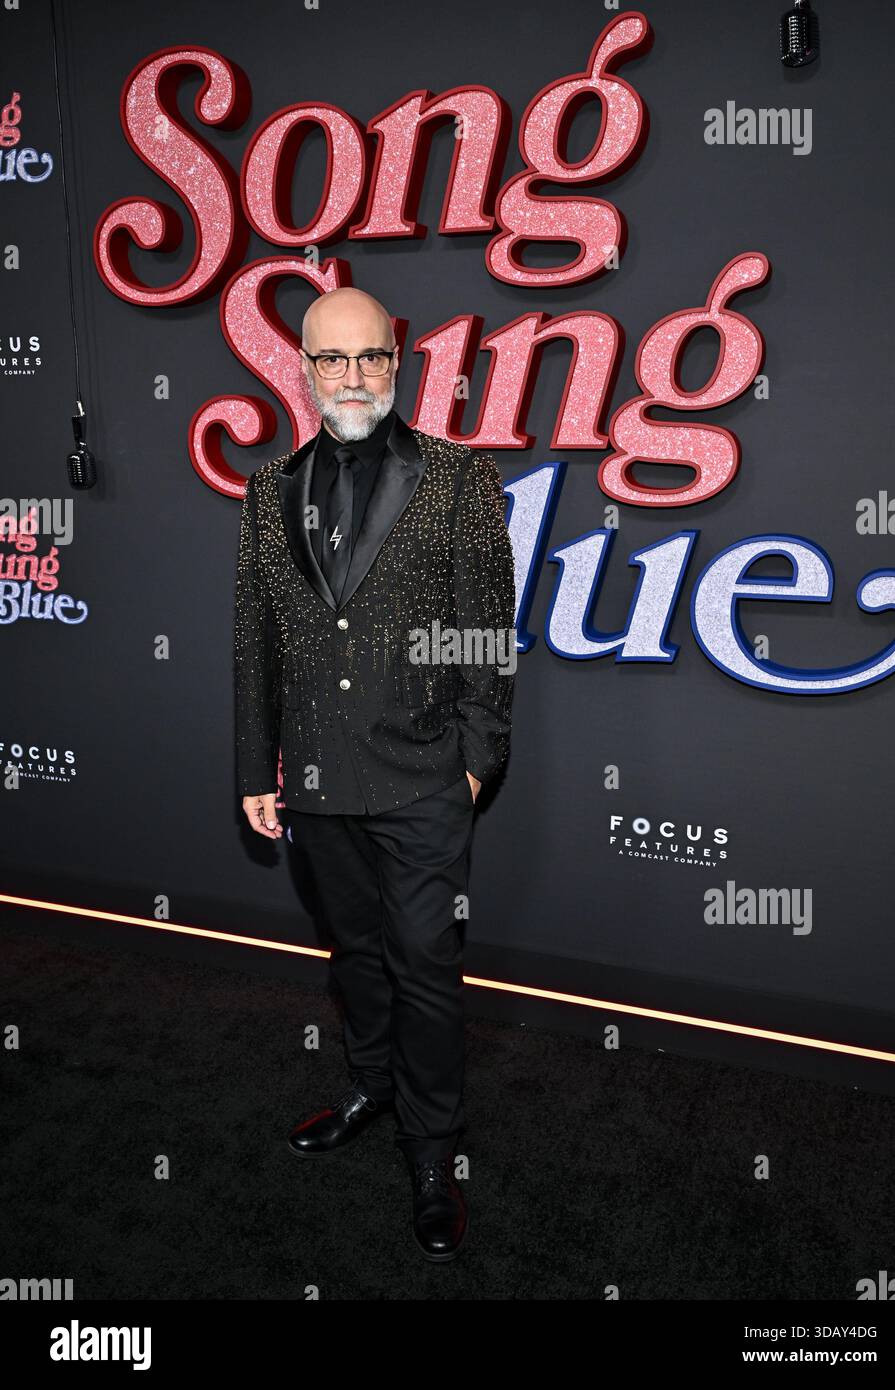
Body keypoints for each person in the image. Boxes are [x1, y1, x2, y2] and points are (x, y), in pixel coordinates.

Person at [233, 286, 516, 1261]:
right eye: (331, 359)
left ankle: (434, 1153)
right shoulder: (266, 489)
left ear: (396, 362)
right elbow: (255, 640)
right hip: (313, 782)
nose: (352, 376)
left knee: (427, 973)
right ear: (302, 368)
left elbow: (486, 633)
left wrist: (474, 766)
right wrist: (254, 766)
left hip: (424, 782)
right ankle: (369, 1084)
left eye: (370, 358)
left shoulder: (458, 478)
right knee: (352, 954)